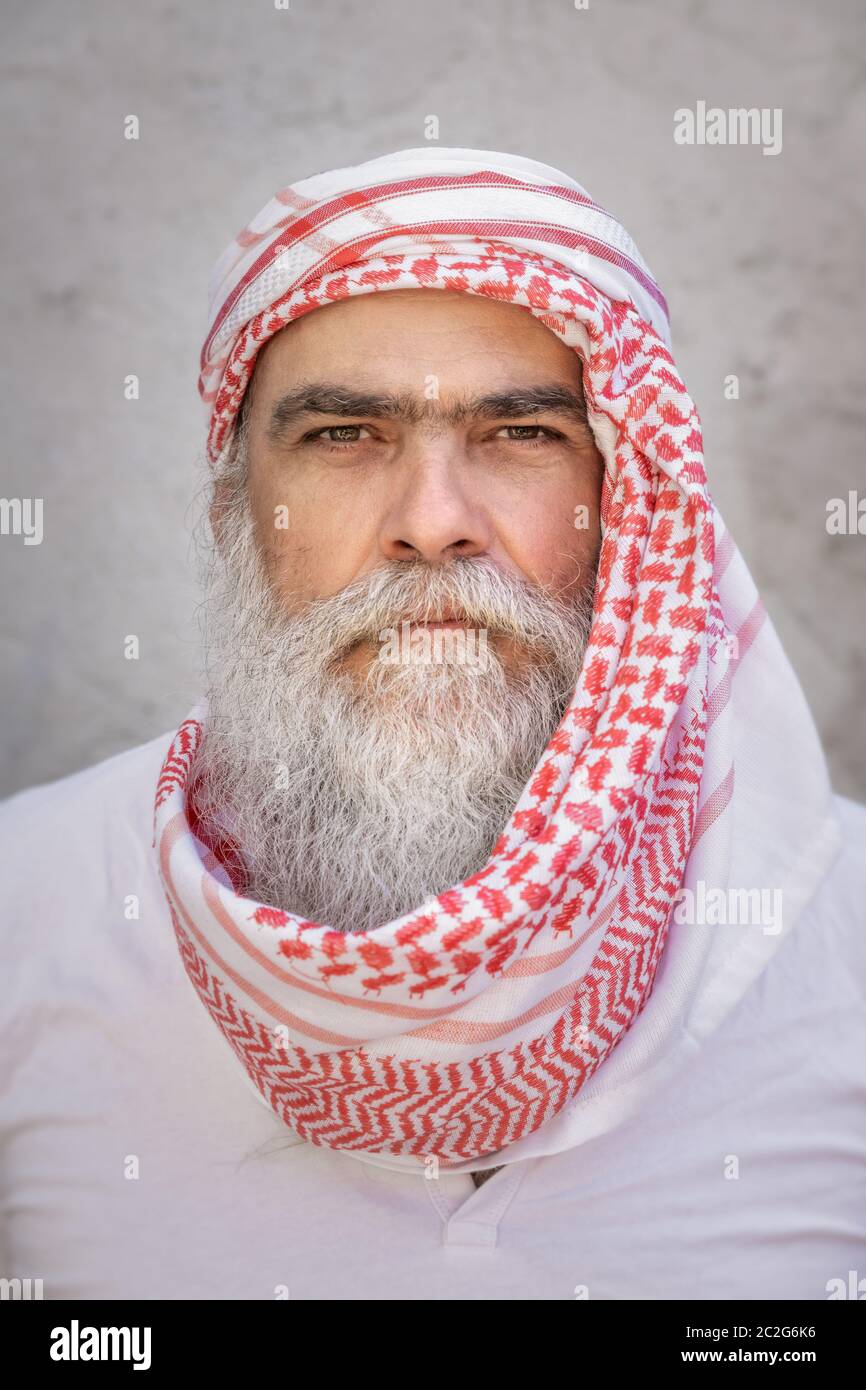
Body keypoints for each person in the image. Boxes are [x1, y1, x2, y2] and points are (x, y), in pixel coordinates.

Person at [1, 147, 863, 1301]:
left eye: (519, 436)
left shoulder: (834, 936)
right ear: (231, 510)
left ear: (630, 503)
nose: (432, 523)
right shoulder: (27, 909)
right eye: (343, 437)